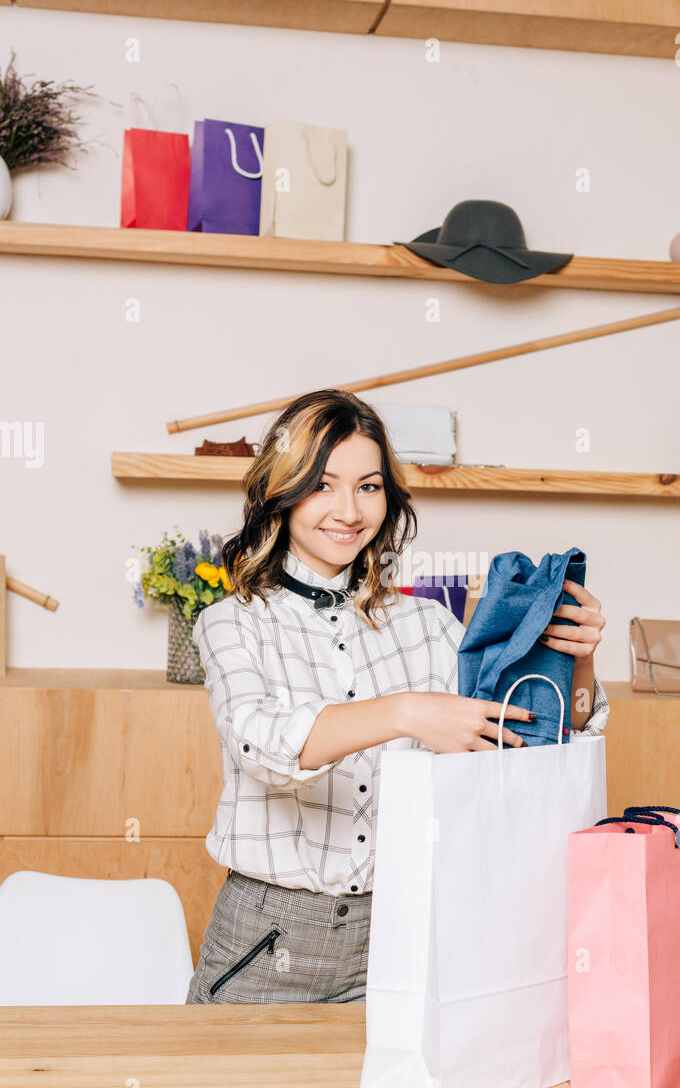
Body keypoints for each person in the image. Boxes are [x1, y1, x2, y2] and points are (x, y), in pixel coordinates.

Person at [185, 389, 608, 1004]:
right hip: (266, 944)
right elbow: (263, 744)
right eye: (322, 484)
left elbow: (535, 745)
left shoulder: (430, 624)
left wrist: (578, 658)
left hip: (403, 934)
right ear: (280, 490)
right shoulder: (233, 622)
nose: (349, 511)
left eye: (370, 486)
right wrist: (406, 712)